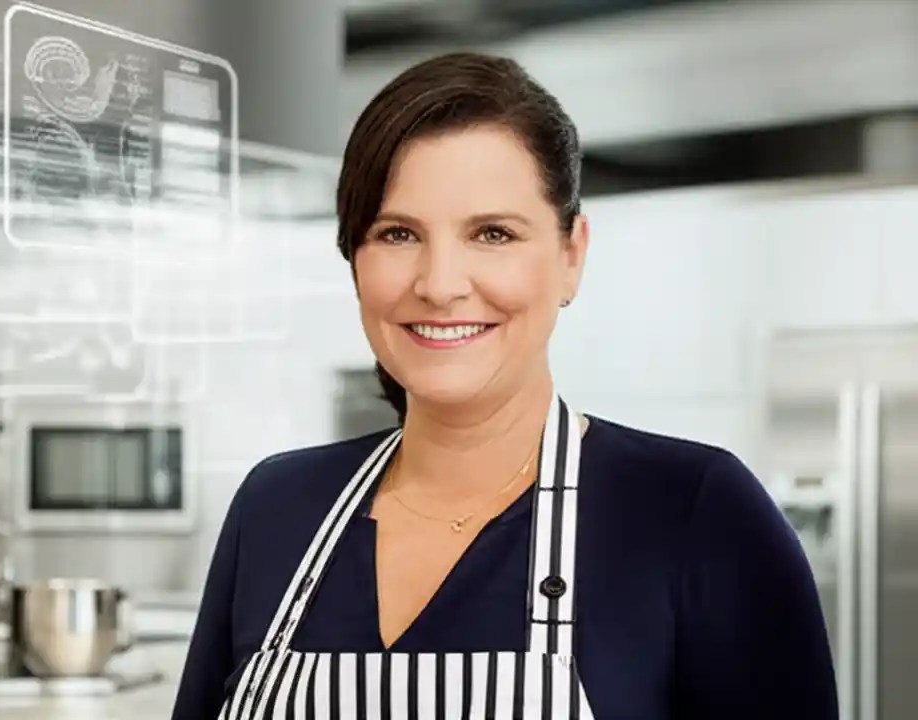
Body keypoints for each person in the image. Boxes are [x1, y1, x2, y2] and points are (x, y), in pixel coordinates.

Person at [171, 52, 838, 719]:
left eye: (492, 233)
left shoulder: (697, 515)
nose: (439, 284)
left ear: (571, 255)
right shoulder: (278, 508)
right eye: (398, 233)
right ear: (355, 259)